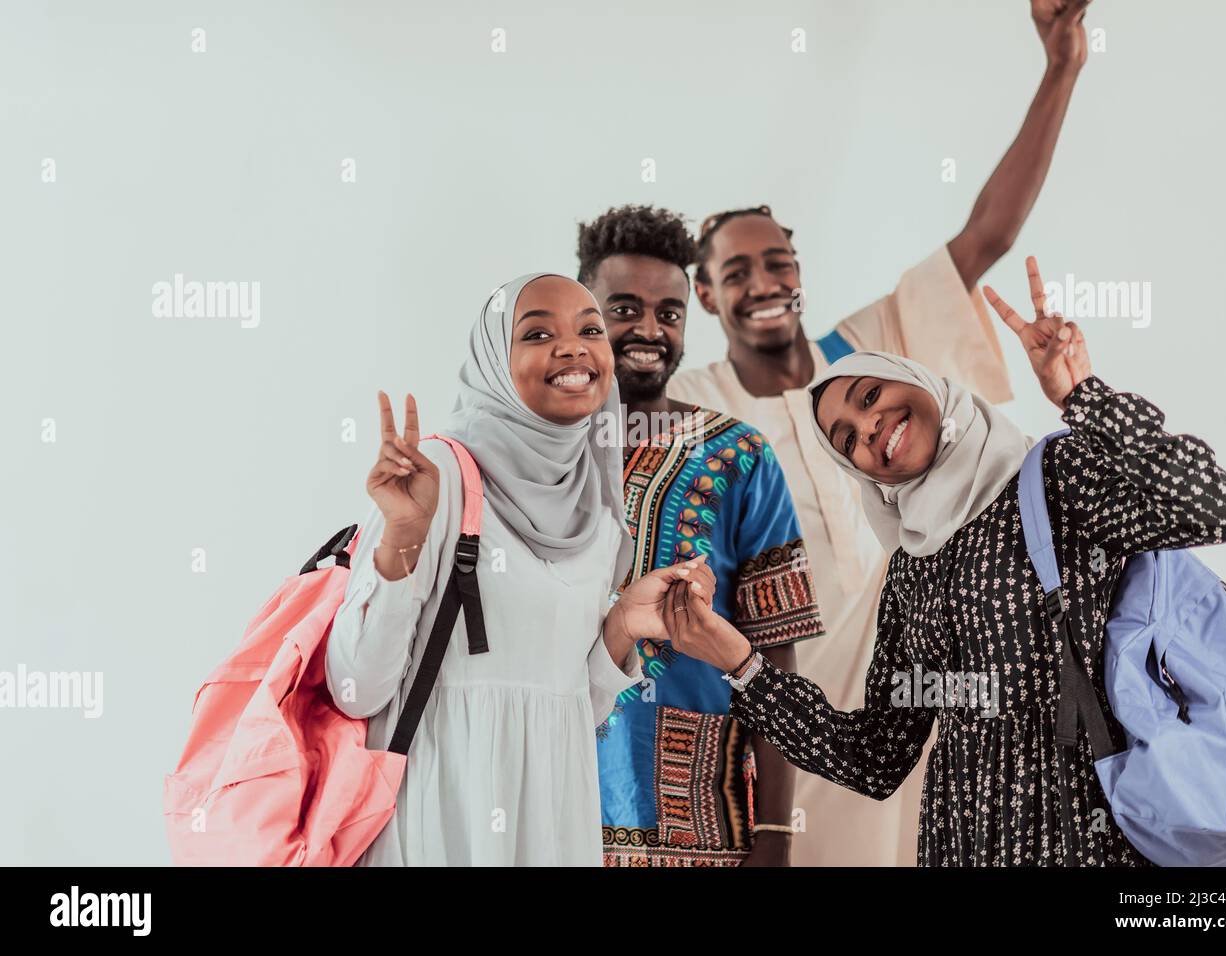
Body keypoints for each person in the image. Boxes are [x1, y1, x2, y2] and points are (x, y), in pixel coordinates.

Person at [667, 0, 1096, 866]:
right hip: (795, 704)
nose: (764, 282)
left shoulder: (869, 352)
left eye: (778, 260)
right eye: (736, 270)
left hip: (923, 677)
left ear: (801, 268)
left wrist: (1061, 67)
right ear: (706, 295)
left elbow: (987, 236)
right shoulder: (692, 402)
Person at [659, 256, 1226, 865]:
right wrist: (742, 663)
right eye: (846, 440)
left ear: (919, 380)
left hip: (1090, 842)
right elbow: (875, 757)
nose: (868, 427)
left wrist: (1081, 395)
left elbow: (1214, 508)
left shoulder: (1053, 482)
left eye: (871, 395)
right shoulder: (912, 568)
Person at [325, 273, 716, 866]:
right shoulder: (438, 476)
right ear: (492, 363)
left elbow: (568, 707)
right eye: (537, 333)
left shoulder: (598, 507)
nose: (573, 347)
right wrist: (403, 536)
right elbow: (356, 689)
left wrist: (623, 627)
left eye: (590, 329)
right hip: (442, 814)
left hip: (550, 819)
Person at [577, 205, 825, 866]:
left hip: (701, 825)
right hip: (550, 808)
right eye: (624, 309)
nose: (649, 330)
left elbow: (776, 657)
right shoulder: (531, 454)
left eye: (670, 312)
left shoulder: (739, 455)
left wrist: (776, 837)